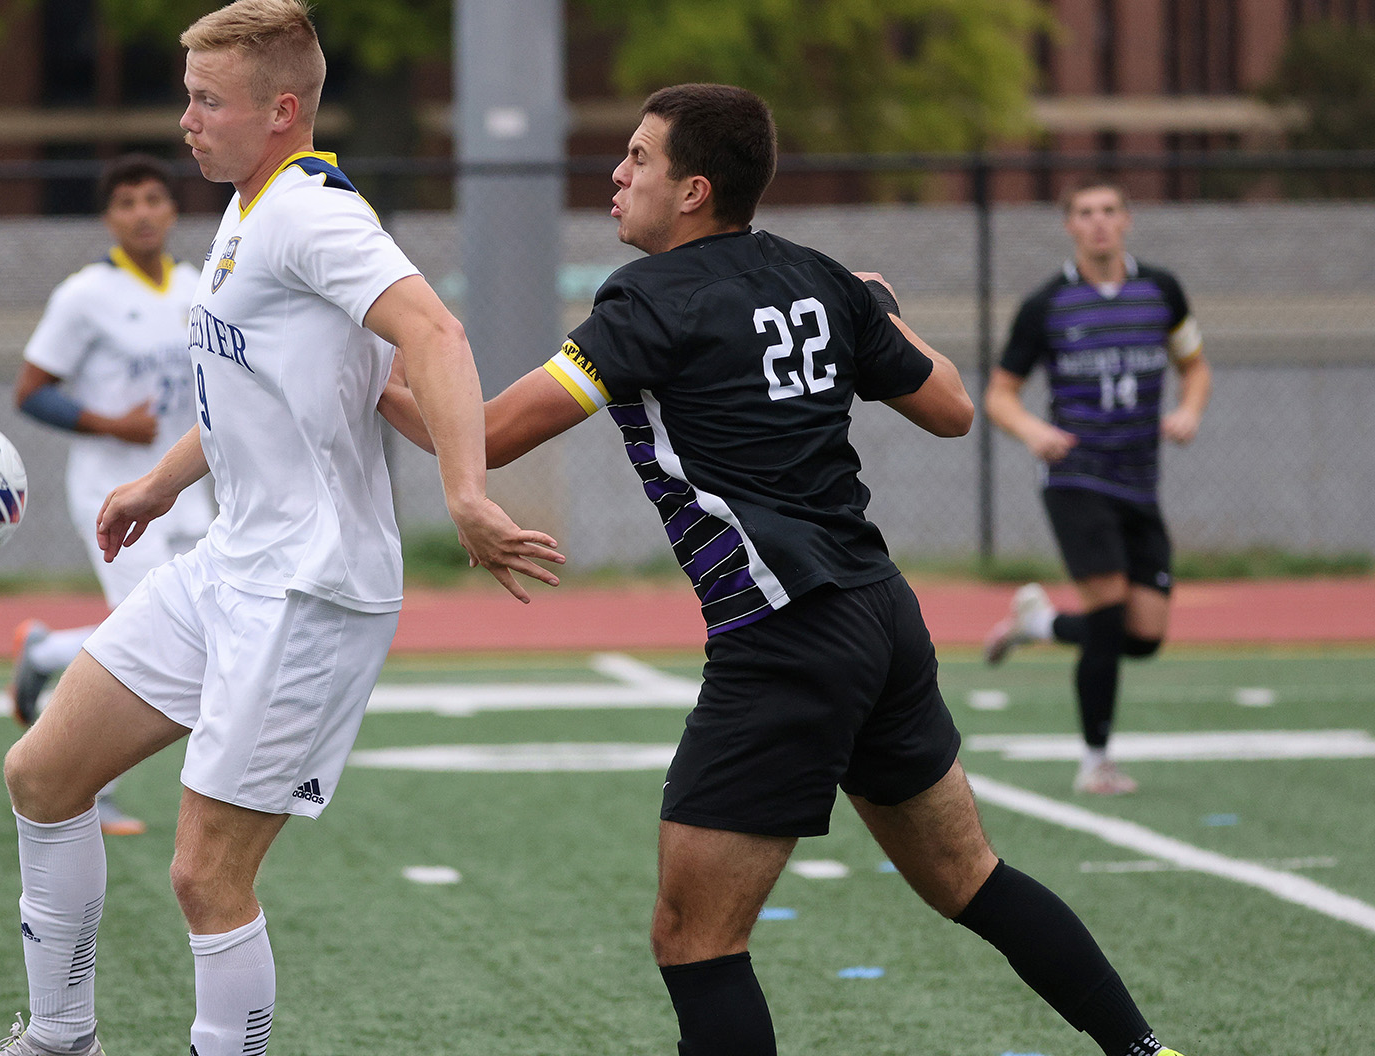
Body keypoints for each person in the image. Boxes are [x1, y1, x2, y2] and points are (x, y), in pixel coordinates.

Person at [379, 84, 1185, 1056]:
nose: (617, 173)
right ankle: (1145, 1051)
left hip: (784, 632)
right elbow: (953, 406)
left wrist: (374, 382)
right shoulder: (816, 275)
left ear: (694, 191)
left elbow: (491, 436)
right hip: (881, 618)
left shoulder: (648, 299)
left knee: (695, 938)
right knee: (968, 878)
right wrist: (879, 306)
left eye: (638, 157)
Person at [0, 0, 560, 1056]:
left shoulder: (311, 213)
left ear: (283, 109)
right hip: (228, 566)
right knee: (43, 773)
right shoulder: (249, 208)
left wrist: (468, 493)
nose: (187, 122)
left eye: (209, 101)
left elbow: (432, 330)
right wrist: (164, 479)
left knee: (208, 875)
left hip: (310, 591)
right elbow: (276, 386)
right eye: (188, 97)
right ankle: (61, 1037)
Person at [982, 181, 1212, 796]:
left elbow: (1195, 366)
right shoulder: (1048, 304)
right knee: (1108, 611)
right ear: (1070, 226)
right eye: (1086, 213)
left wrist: (1189, 410)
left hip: (1140, 480)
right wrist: (1033, 430)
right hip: (1077, 477)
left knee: (1142, 636)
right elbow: (1001, 394)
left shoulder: (1161, 291)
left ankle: (1039, 626)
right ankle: (1095, 762)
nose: (1099, 223)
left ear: (1128, 220)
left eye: (1110, 211)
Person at [8, 152, 213, 836]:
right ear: (108, 217)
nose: (142, 213)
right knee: (144, 636)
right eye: (126, 203)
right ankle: (94, 790)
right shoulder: (83, 295)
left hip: (188, 487)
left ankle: (42, 654)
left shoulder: (199, 284)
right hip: (112, 491)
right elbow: (31, 393)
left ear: (173, 210)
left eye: (154, 198)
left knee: (200, 629)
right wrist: (110, 424)